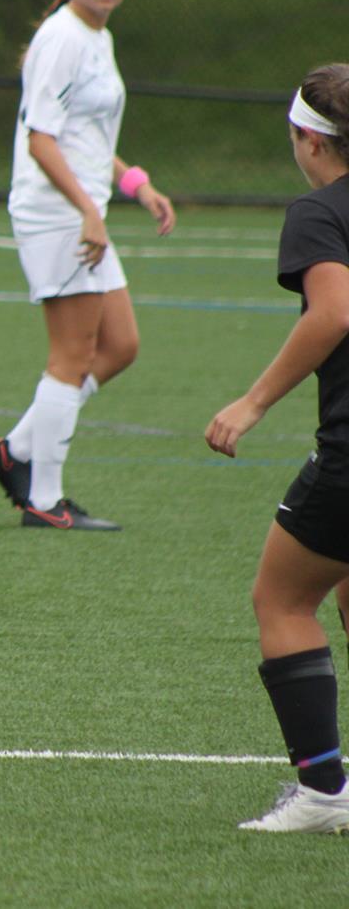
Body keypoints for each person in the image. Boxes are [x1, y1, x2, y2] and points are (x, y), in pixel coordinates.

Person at [0, 0, 175, 531]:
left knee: (120, 346)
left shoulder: (97, 35)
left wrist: (136, 185)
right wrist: (89, 211)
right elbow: (40, 141)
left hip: (82, 208)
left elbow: (83, 136)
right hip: (55, 212)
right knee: (73, 353)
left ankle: (16, 451)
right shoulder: (62, 36)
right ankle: (45, 498)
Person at [205, 65, 349, 833]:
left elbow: (333, 313)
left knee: (283, 598)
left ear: (308, 139)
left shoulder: (318, 211)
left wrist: (252, 400)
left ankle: (325, 793)